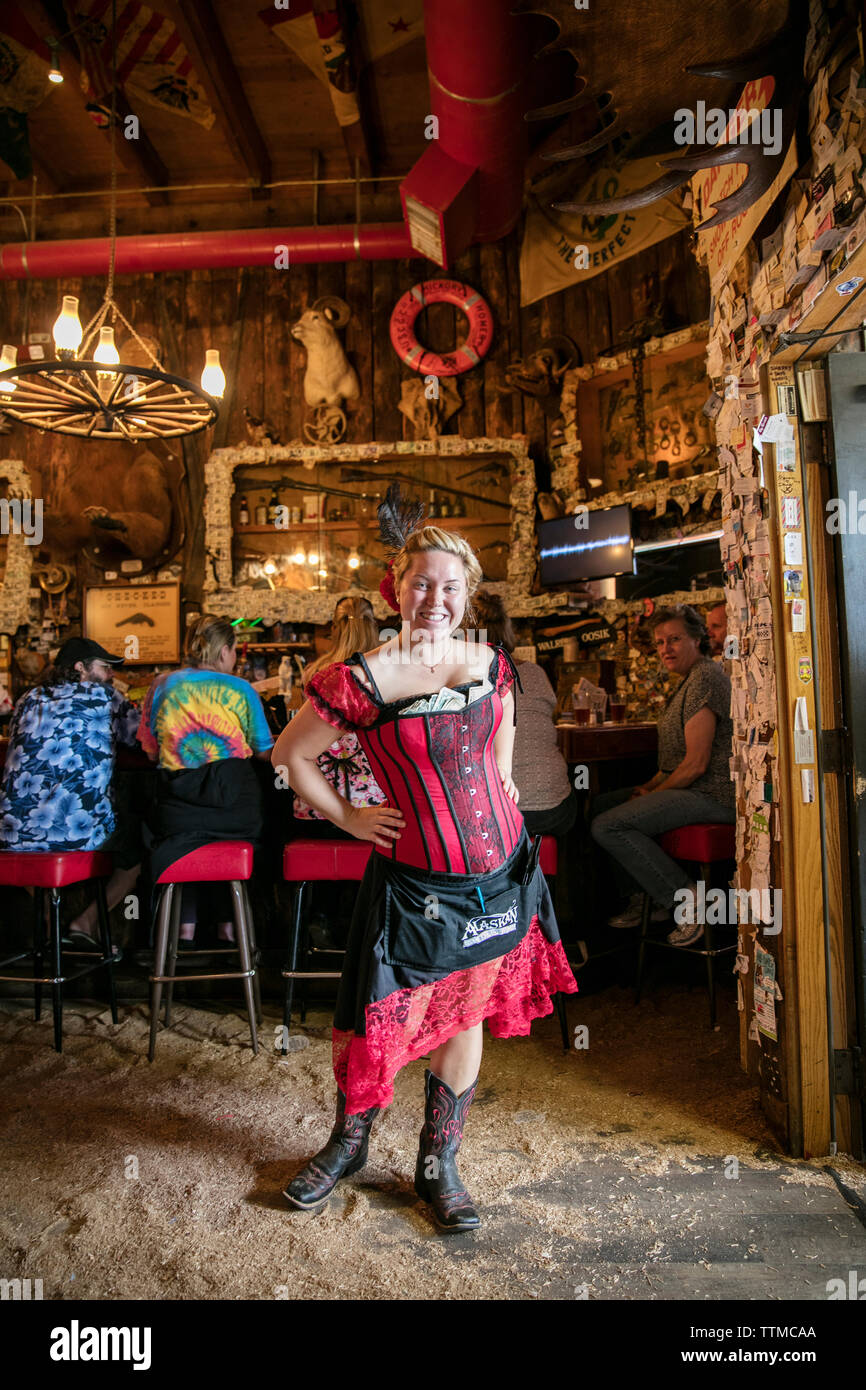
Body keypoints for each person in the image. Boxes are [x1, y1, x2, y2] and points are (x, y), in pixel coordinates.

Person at [271, 493, 577, 1232]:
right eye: (420, 583)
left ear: (466, 593)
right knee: (382, 1019)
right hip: (416, 881)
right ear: (396, 588)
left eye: (449, 586)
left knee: (465, 1012)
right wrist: (348, 816)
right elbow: (290, 755)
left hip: (500, 872)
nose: (434, 599)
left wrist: (502, 771)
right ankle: (347, 1146)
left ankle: (439, 1163)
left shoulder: (490, 662)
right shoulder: (365, 677)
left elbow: (500, 708)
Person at [590, 605, 734, 948]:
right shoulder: (686, 681)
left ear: (697, 639)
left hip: (713, 794)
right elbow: (673, 763)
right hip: (691, 791)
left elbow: (696, 764)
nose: (665, 648)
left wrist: (653, 795)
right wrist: (649, 787)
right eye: (659, 642)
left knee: (608, 825)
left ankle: (689, 901)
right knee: (601, 805)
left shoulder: (705, 677)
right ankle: (647, 897)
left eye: (674, 639)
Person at [137, 615, 273, 945]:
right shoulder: (241, 689)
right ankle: (230, 931)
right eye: (235, 651)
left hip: (177, 815)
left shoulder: (163, 684)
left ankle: (183, 933)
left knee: (183, 850)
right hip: (234, 811)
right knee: (244, 849)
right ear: (225, 650)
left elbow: (151, 751)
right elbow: (264, 752)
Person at [0, 638, 142, 944]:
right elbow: (141, 739)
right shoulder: (106, 696)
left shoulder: (29, 697)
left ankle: (51, 922)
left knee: (27, 850)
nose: (109, 675)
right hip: (75, 834)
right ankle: (84, 922)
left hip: (10, 834)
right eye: (104, 668)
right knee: (137, 851)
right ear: (80, 667)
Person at [471, 590, 577, 923]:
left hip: (502, 816)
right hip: (554, 810)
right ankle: (567, 921)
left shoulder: (462, 678)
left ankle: (495, 925)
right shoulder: (535, 672)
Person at [292, 597, 387, 836]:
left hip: (318, 808)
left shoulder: (315, 672)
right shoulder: (388, 673)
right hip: (377, 809)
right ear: (374, 625)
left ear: (334, 628)